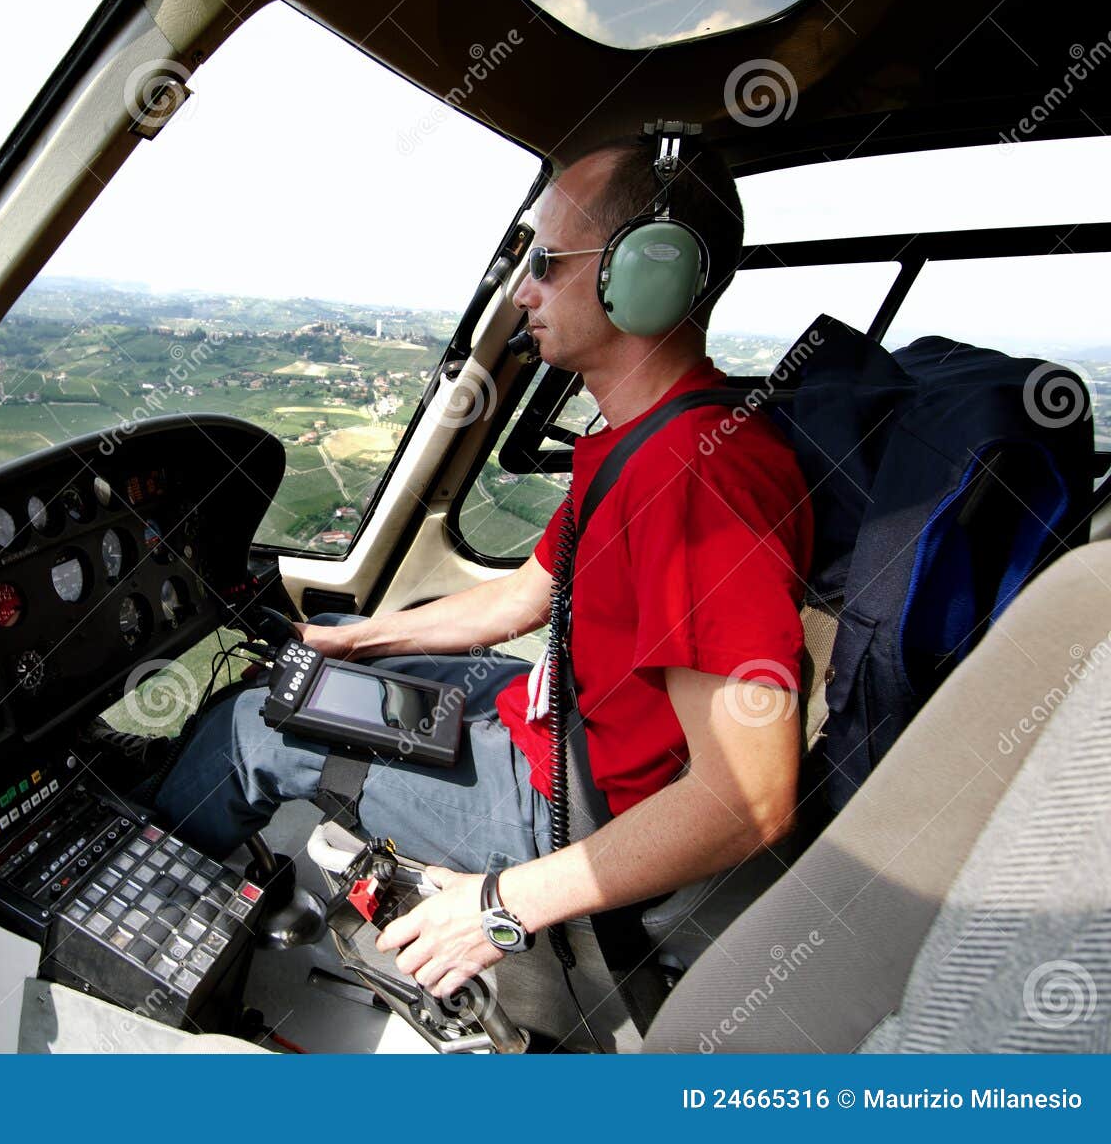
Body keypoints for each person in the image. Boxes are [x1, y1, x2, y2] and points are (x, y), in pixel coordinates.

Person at [152, 136, 812, 1001]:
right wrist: (369, 638)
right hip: (556, 728)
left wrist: (497, 906)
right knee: (337, 649)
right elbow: (530, 590)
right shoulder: (640, 437)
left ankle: (136, 936)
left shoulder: (693, 474)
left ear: (642, 273)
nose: (524, 290)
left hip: (570, 808)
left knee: (250, 729)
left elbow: (748, 800)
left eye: (545, 260)